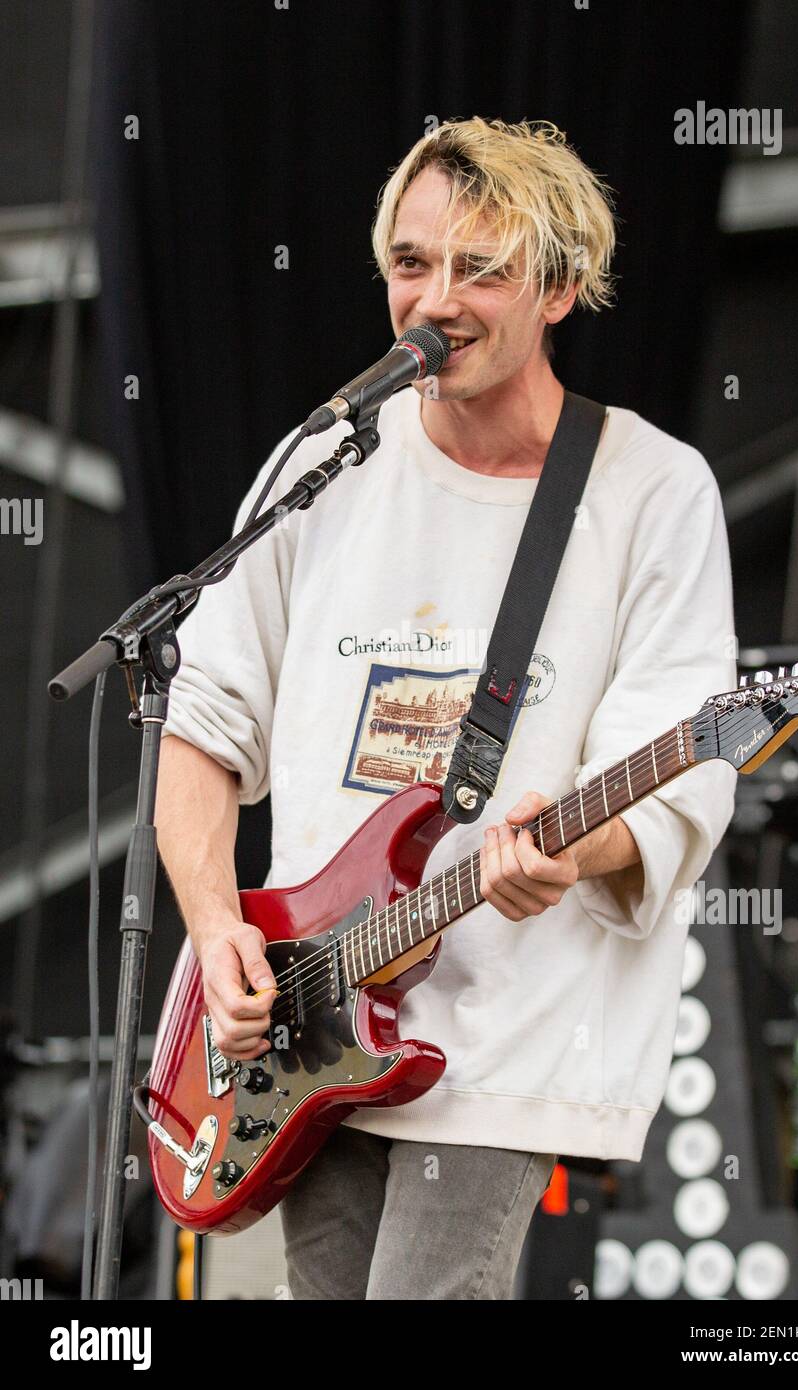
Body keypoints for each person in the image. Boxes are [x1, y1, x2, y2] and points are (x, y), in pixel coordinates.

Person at [154, 117, 738, 1299]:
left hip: (509, 1035)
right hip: (313, 1028)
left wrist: (581, 853)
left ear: (561, 287)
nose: (436, 299)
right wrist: (217, 925)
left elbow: (682, 764)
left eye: (482, 268)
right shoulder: (321, 461)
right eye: (413, 263)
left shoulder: (648, 488)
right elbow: (203, 721)